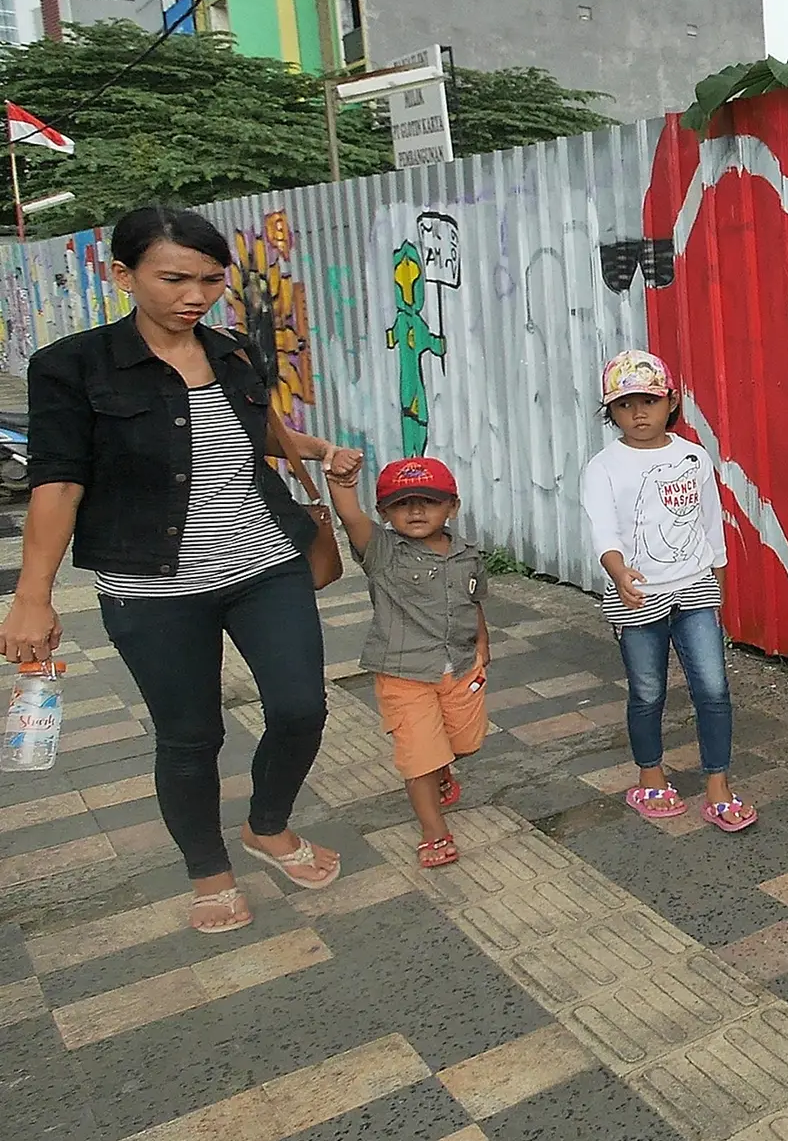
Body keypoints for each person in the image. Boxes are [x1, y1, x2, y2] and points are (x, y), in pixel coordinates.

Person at [1, 207, 362, 933]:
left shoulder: (231, 350)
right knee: (192, 735)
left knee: (301, 709)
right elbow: (59, 483)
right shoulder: (70, 367)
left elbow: (252, 423)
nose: (193, 296)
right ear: (123, 274)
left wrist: (316, 450)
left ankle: (267, 825)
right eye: (173, 279)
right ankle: (210, 871)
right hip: (152, 586)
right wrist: (30, 596)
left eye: (209, 280)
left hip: (264, 561)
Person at [582, 350, 756, 832]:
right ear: (610, 411)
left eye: (649, 401)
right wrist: (619, 574)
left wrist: (717, 581)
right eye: (624, 404)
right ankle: (651, 776)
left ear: (671, 402)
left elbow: (709, 524)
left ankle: (718, 785)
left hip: (696, 589)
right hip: (635, 595)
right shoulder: (603, 467)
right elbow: (604, 532)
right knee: (647, 690)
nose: (639, 414)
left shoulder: (692, 456)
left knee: (714, 689)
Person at [325, 455, 490, 868]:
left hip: (461, 665)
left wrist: (483, 645)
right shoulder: (382, 551)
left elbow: (475, 602)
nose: (416, 511)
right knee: (419, 754)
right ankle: (434, 831)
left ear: (452, 506)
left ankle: (441, 769)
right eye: (402, 504)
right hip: (403, 673)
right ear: (384, 512)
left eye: (429, 501)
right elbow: (349, 514)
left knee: (465, 743)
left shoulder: (468, 554)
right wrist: (341, 483)